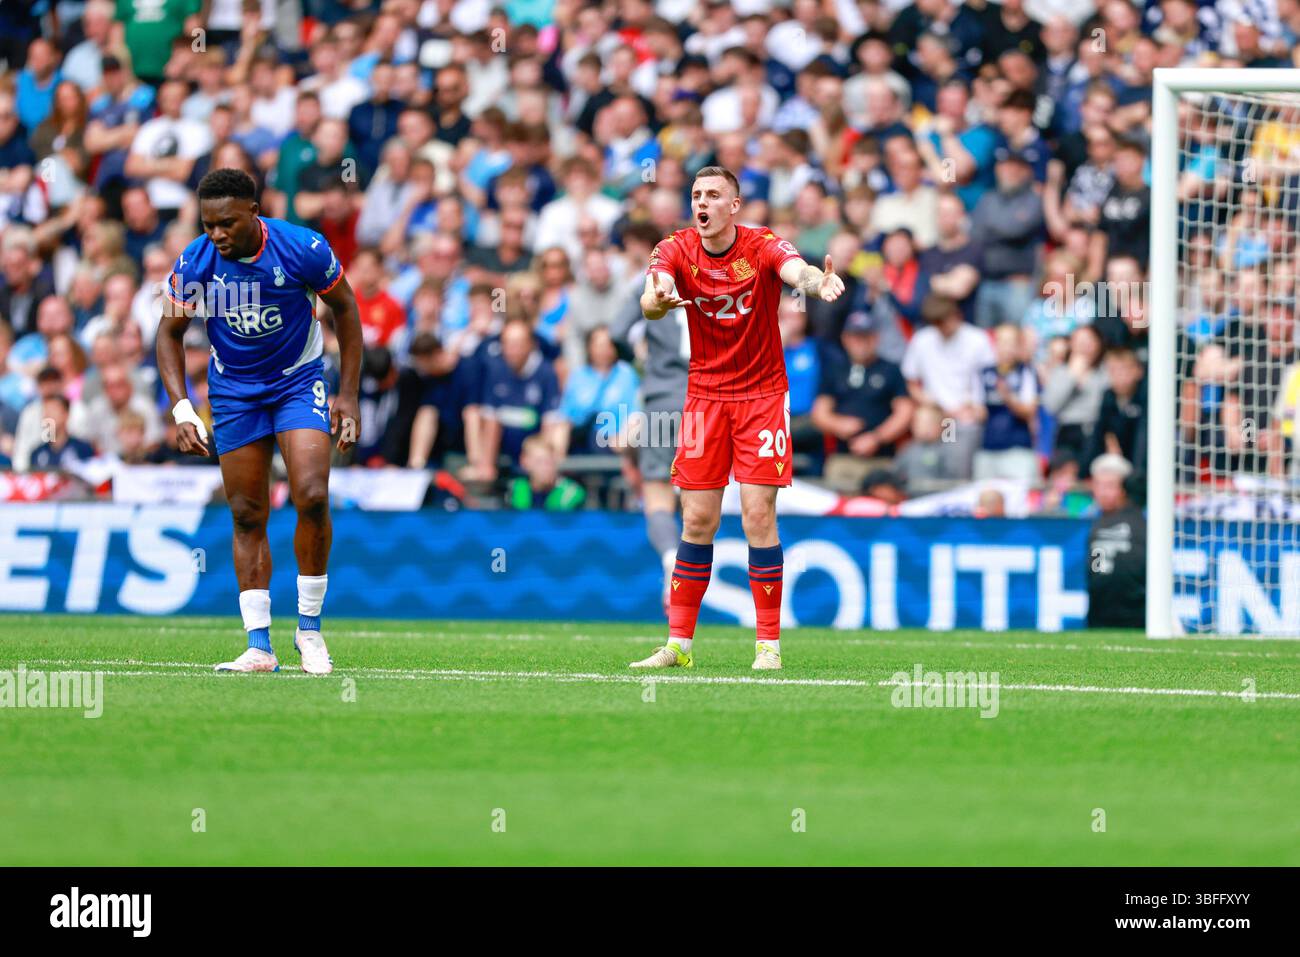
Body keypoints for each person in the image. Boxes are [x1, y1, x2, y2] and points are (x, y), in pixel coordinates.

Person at [630, 165, 845, 672]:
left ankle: (767, 645)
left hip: (762, 396)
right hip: (705, 397)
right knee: (698, 519)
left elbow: (797, 271)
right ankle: (678, 644)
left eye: (713, 195)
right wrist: (657, 301)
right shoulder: (675, 248)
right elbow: (652, 295)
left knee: (757, 516)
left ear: (735, 205)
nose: (702, 203)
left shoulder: (762, 244)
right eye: (697, 195)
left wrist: (818, 282)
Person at [157, 168, 362, 676]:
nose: (217, 234)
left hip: (297, 381)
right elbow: (167, 334)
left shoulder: (303, 248)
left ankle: (310, 631)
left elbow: (347, 309)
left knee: (311, 493)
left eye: (226, 223)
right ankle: (258, 646)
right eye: (208, 224)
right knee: (247, 512)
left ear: (254, 211)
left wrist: (350, 397)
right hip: (234, 393)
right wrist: (182, 408)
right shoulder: (193, 262)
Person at [1086, 453, 1146, 628]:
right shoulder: (1092, 521)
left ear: (1124, 488)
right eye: (1099, 485)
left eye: (1110, 485)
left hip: (1136, 619)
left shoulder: (1145, 522)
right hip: (1100, 618)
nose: (1103, 492)